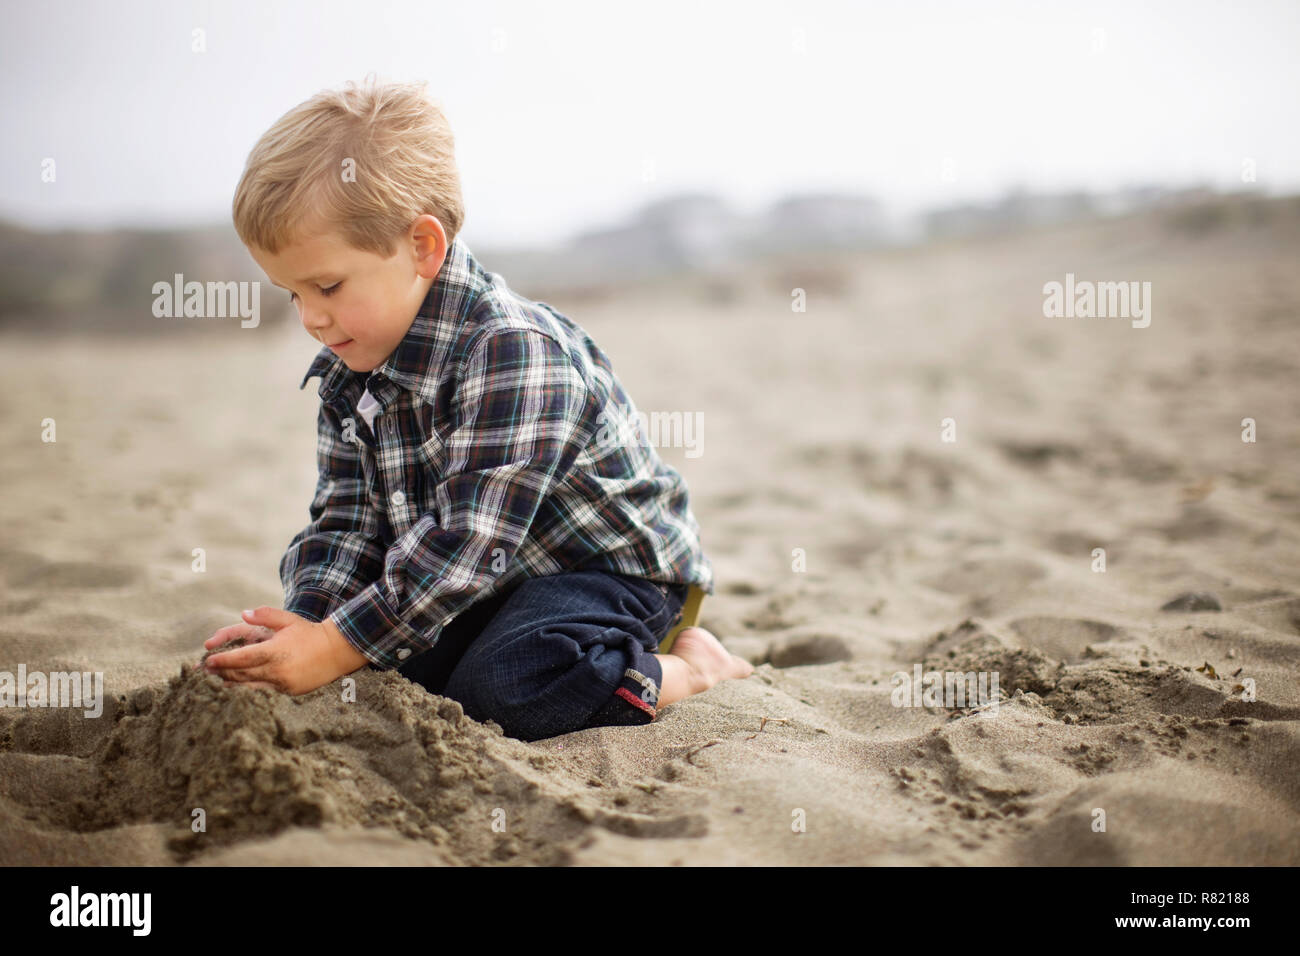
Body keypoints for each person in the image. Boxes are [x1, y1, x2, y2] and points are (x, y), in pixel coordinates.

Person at [202, 78, 752, 741]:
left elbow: (467, 544)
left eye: (327, 286)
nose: (311, 318)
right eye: (291, 294)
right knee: (398, 668)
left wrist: (334, 646)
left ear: (422, 248)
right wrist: (311, 623)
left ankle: (691, 669)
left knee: (505, 689)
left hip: (607, 571)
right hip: (486, 580)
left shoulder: (513, 353)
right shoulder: (350, 373)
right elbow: (347, 516)